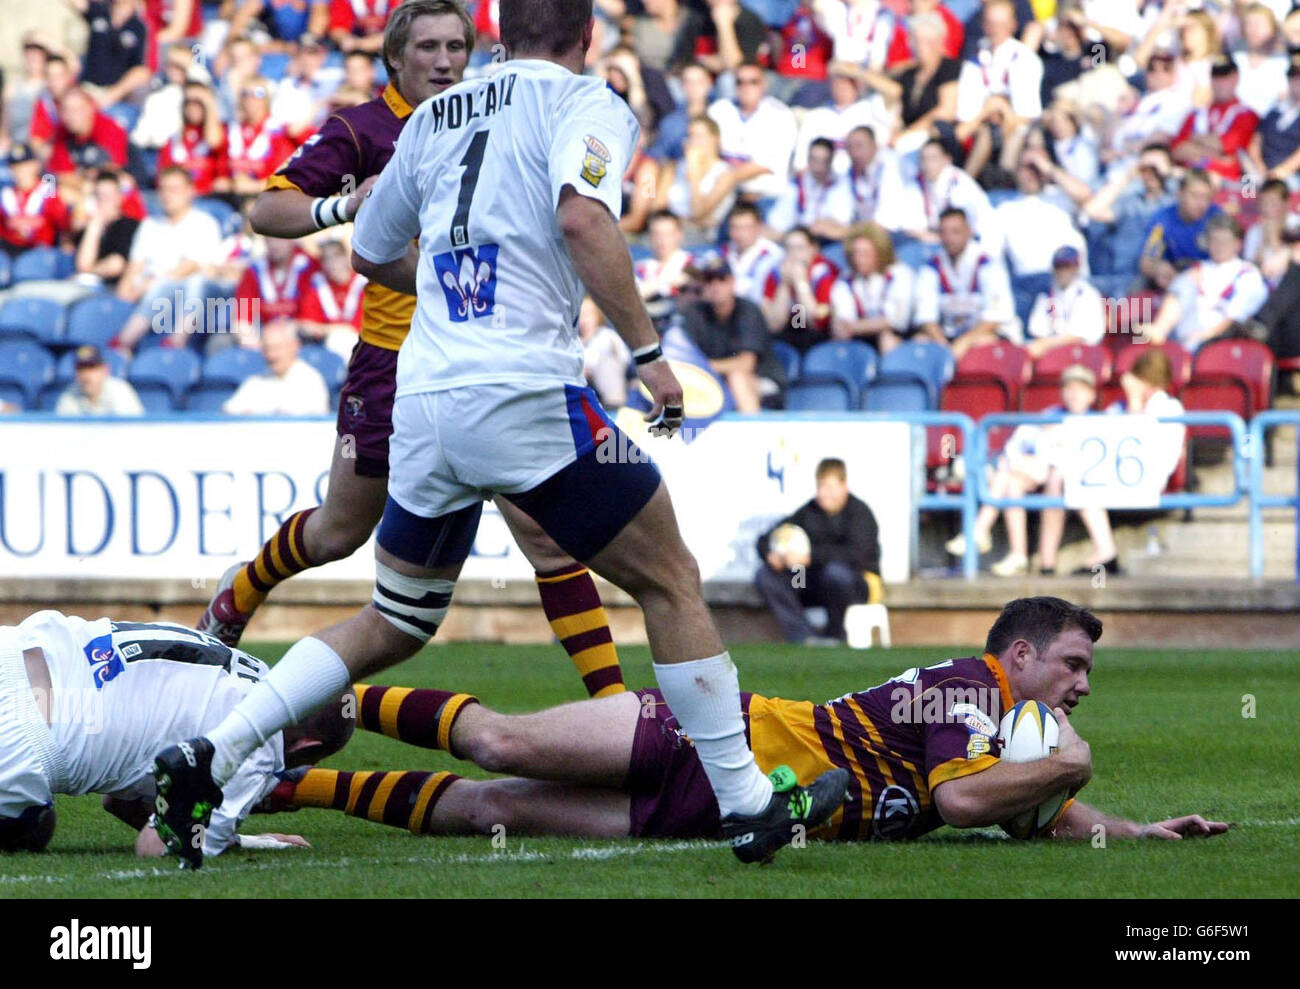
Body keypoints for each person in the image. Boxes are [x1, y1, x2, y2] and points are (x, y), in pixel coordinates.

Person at [159, 0, 848, 871]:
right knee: (672, 578)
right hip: (521, 387)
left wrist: (451, 285)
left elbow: (370, 250)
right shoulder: (585, 101)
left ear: (496, 37)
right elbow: (583, 219)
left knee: (394, 618)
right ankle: (747, 800)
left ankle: (210, 753)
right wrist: (648, 355)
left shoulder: (435, 113)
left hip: (427, 396)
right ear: (588, 34)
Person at [199, 2, 630, 722]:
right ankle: (237, 595)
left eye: (457, 45)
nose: (445, 60)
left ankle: (619, 715)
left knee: (546, 538)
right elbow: (268, 209)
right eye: (427, 47)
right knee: (340, 531)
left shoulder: (491, 108)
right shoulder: (363, 128)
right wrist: (342, 209)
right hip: (393, 362)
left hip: (488, 357)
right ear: (394, 60)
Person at [274, 597, 1230, 845]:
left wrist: (1132, 828)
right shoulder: (973, 688)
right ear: (1018, 654)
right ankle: (330, 699)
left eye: (1088, 668)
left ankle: (290, 782)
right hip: (720, 738)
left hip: (735, 810)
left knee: (499, 809)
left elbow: (1038, 811)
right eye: (1073, 662)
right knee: (502, 740)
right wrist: (1073, 767)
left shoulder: (1009, 731)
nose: (1083, 683)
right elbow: (976, 801)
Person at [0, 610, 351, 857]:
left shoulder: (242, 664)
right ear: (308, 746)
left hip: (15, 646)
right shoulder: (259, 749)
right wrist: (234, 836)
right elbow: (153, 846)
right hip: (21, 741)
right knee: (35, 828)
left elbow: (120, 801)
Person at [1039, 349, 1186, 576]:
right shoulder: (1120, 407)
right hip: (1114, 473)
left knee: (1079, 479)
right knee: (1065, 476)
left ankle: (1106, 552)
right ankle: (1052, 562)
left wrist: (1135, 401)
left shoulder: (1169, 408)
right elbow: (1097, 434)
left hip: (1146, 478)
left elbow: (1142, 446)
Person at [948, 365, 1098, 577]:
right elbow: (1017, 443)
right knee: (1010, 480)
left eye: (1080, 389)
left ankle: (979, 531)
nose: (1074, 394)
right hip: (1035, 470)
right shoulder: (1049, 415)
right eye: (1069, 388)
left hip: (1066, 474)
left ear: (1091, 394)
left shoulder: (1097, 423)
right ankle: (1017, 553)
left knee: (1007, 470)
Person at [755, 457, 880, 644]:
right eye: (820, 486)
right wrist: (772, 554)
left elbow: (857, 554)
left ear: (844, 486)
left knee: (835, 573)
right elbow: (768, 537)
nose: (824, 493)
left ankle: (835, 635)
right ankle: (804, 636)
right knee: (767, 575)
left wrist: (809, 558)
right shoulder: (809, 512)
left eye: (830, 487)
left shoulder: (859, 513)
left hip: (857, 584)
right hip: (811, 583)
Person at [1142, 213, 1268, 352]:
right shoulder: (1197, 270)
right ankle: (1159, 330)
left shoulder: (1248, 274)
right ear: (1207, 242)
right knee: (1185, 284)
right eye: (1215, 240)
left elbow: (1235, 318)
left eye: (1225, 240)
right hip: (1183, 337)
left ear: (1237, 244)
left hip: (1222, 341)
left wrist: (1204, 337)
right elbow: (1175, 298)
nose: (1220, 246)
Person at [683, 253, 787, 411]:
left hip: (761, 380)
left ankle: (751, 432)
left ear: (732, 283)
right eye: (709, 280)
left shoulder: (748, 310)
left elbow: (746, 364)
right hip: (715, 380)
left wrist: (702, 366)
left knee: (737, 377)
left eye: (721, 279)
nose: (715, 286)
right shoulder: (696, 313)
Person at [913, 206, 1019, 358]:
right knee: (919, 342)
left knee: (985, 341)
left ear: (969, 232)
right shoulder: (931, 267)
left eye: (955, 231)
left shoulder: (987, 264)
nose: (949, 238)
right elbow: (925, 316)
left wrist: (964, 342)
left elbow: (996, 317)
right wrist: (943, 345)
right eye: (944, 232)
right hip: (948, 336)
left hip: (984, 334)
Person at [1082, 143, 1176, 282]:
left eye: (1155, 168)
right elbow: (1092, 210)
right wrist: (1127, 176)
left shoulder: (1176, 199)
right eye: (1146, 168)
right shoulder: (1131, 201)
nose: (1151, 173)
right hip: (1123, 279)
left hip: (1158, 281)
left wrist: (1168, 171)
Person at [707, 60, 799, 202]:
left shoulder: (780, 115)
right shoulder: (719, 109)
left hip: (763, 194)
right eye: (740, 82)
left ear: (764, 85)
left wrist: (726, 179)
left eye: (753, 82)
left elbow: (765, 165)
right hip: (723, 192)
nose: (746, 87)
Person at [828, 220, 913, 354]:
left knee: (887, 340)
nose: (859, 259)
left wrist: (855, 326)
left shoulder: (899, 274)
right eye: (855, 253)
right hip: (858, 337)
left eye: (865, 254)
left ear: (879, 253)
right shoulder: (846, 279)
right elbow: (842, 320)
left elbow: (897, 320)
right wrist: (845, 326)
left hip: (897, 335)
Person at [1171, 55, 1258, 183]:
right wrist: (1215, 154)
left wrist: (1194, 138)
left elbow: (1226, 146)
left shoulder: (1246, 114)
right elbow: (1177, 151)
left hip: (1228, 182)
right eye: (1216, 78)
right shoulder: (1196, 113)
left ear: (1236, 78)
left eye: (1225, 77)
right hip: (1190, 177)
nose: (1220, 83)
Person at [222, 319, 330, 415]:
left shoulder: (311, 380)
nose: (271, 355)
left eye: (277, 348)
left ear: (294, 347)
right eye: (267, 349)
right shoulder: (255, 382)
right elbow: (229, 412)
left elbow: (315, 423)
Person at [1138, 168, 1220, 292]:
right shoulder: (1162, 220)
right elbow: (1147, 261)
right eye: (1195, 196)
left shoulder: (1217, 218)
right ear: (1179, 194)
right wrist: (1158, 269)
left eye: (1206, 198)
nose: (1201, 203)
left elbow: (1230, 261)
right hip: (1173, 281)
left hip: (1209, 282)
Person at [762, 225, 840, 354]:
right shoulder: (776, 273)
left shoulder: (825, 272)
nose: (794, 255)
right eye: (789, 249)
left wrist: (800, 282)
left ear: (813, 249)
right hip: (789, 328)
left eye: (800, 248)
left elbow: (818, 322)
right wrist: (784, 285)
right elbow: (773, 325)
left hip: (819, 333)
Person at [765, 137, 854, 243]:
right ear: (808, 159)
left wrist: (824, 227)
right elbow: (777, 225)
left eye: (823, 161)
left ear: (831, 161)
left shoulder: (840, 184)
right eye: (814, 160)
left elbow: (842, 226)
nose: (818, 167)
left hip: (827, 242)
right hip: (797, 238)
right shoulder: (796, 184)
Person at [1025, 247, 1106, 359]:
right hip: (1049, 351)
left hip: (1081, 353)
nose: (1062, 271)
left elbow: (1077, 337)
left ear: (1076, 268)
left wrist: (1046, 346)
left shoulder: (1088, 294)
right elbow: (1037, 331)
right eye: (1058, 266)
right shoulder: (1046, 294)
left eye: (1067, 267)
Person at [72, 168, 140, 289]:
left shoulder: (130, 226)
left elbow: (116, 264)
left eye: (107, 196)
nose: (102, 201)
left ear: (119, 198)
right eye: (98, 196)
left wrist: (88, 272)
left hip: (115, 288)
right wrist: (94, 225)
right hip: (88, 286)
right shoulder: (89, 228)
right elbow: (83, 263)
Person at [0, 143, 69, 256]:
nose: (20, 170)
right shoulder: (6, 194)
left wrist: (66, 241)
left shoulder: (47, 191)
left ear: (35, 165)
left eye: (25, 165)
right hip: (9, 250)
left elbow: (61, 221)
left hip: (40, 251)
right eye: (15, 166)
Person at [1247, 53, 1300, 180]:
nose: (1297, 82)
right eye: (1294, 76)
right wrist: (1260, 167)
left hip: (1290, 176)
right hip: (1262, 172)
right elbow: (1256, 140)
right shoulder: (1275, 110)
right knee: (1247, 186)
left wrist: (1281, 172)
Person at [721, 201, 785, 304]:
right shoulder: (722, 253)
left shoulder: (774, 255)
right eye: (735, 227)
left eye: (746, 228)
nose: (740, 234)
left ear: (759, 227)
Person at [53, 345, 144, 417]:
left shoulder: (119, 391)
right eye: (81, 368)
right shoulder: (71, 393)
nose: (86, 374)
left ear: (105, 370)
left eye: (92, 368)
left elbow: (133, 432)